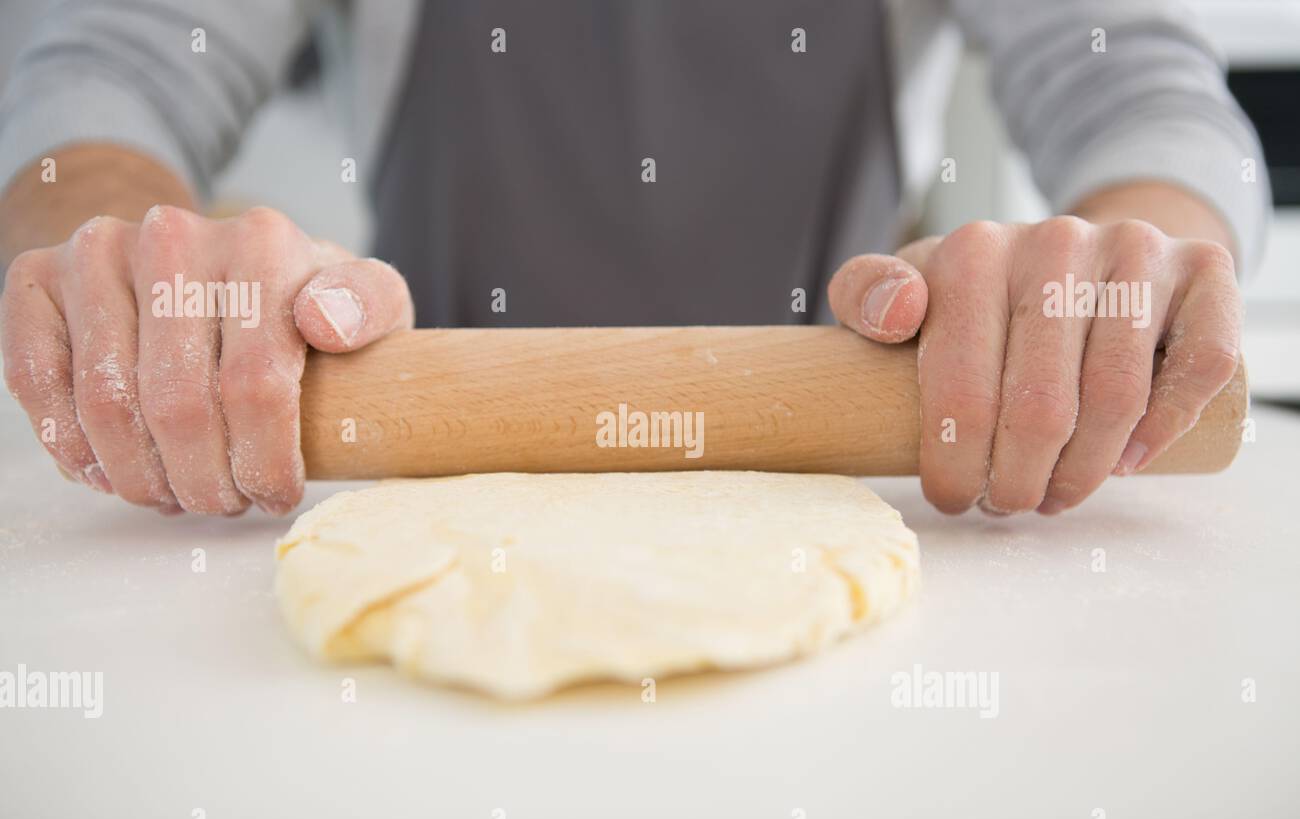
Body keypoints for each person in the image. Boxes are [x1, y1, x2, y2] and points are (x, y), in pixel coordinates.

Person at [0, 0, 1268, 518]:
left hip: (839, 478)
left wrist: (1130, 278)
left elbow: (1142, 91)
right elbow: (109, 67)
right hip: (404, 497)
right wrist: (119, 265)